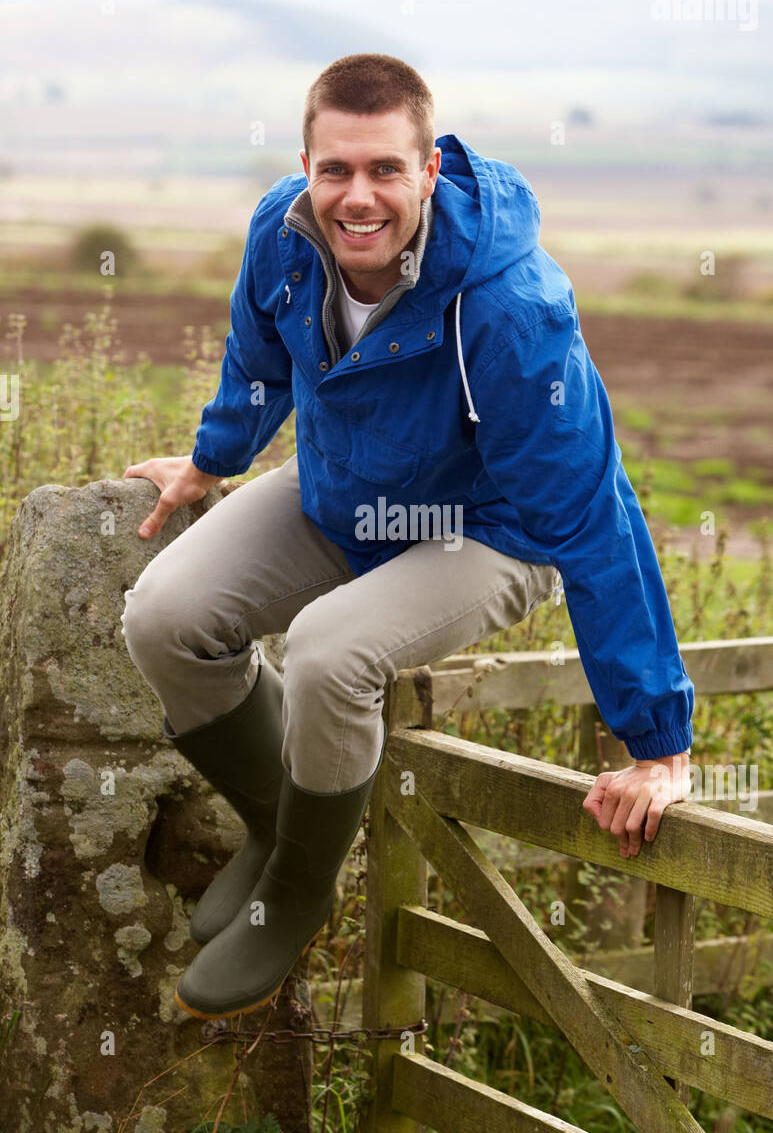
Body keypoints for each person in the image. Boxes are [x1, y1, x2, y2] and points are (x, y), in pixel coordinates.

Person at [120, 52, 693, 1021]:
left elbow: (590, 518)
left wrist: (655, 743)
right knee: (164, 617)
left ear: (429, 171)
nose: (357, 196)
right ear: (304, 166)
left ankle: (299, 887)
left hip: (491, 527)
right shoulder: (283, 233)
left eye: (384, 169)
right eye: (335, 169)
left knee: (327, 653)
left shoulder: (510, 309)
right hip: (344, 489)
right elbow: (257, 358)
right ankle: (275, 823)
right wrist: (210, 461)